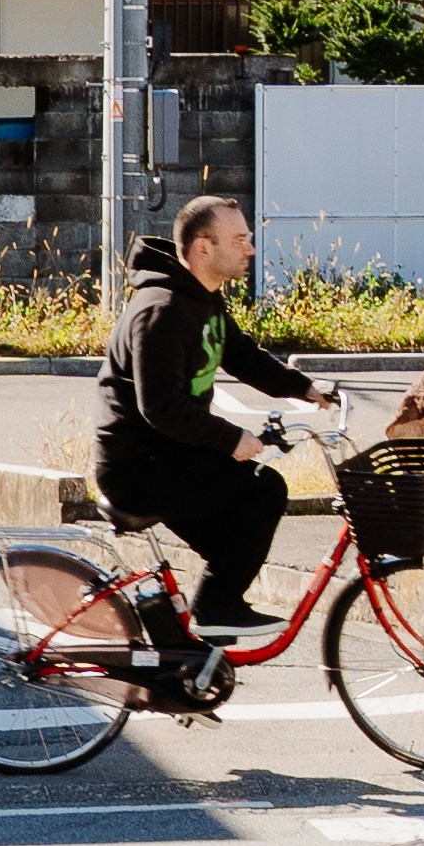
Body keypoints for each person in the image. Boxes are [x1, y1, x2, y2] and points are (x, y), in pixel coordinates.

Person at [93, 194, 338, 647]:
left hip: (166, 454)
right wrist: (230, 439)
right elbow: (160, 407)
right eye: (240, 239)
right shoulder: (161, 309)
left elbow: (240, 354)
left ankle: (184, 655)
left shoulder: (204, 300)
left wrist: (302, 386)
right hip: (137, 464)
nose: (250, 248)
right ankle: (215, 611)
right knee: (263, 490)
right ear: (203, 248)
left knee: (238, 531)